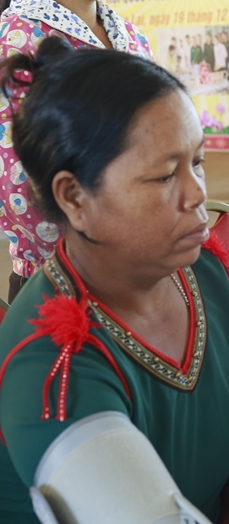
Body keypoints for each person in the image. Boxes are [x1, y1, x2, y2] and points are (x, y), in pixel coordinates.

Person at [0, 38, 229, 524]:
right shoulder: (51, 360)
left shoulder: (202, 273)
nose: (195, 194)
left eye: (198, 162)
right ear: (74, 198)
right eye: (165, 176)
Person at [0, 0, 152, 303]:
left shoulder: (132, 36)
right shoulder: (16, 35)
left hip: (145, 267)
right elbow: (13, 177)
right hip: (61, 282)